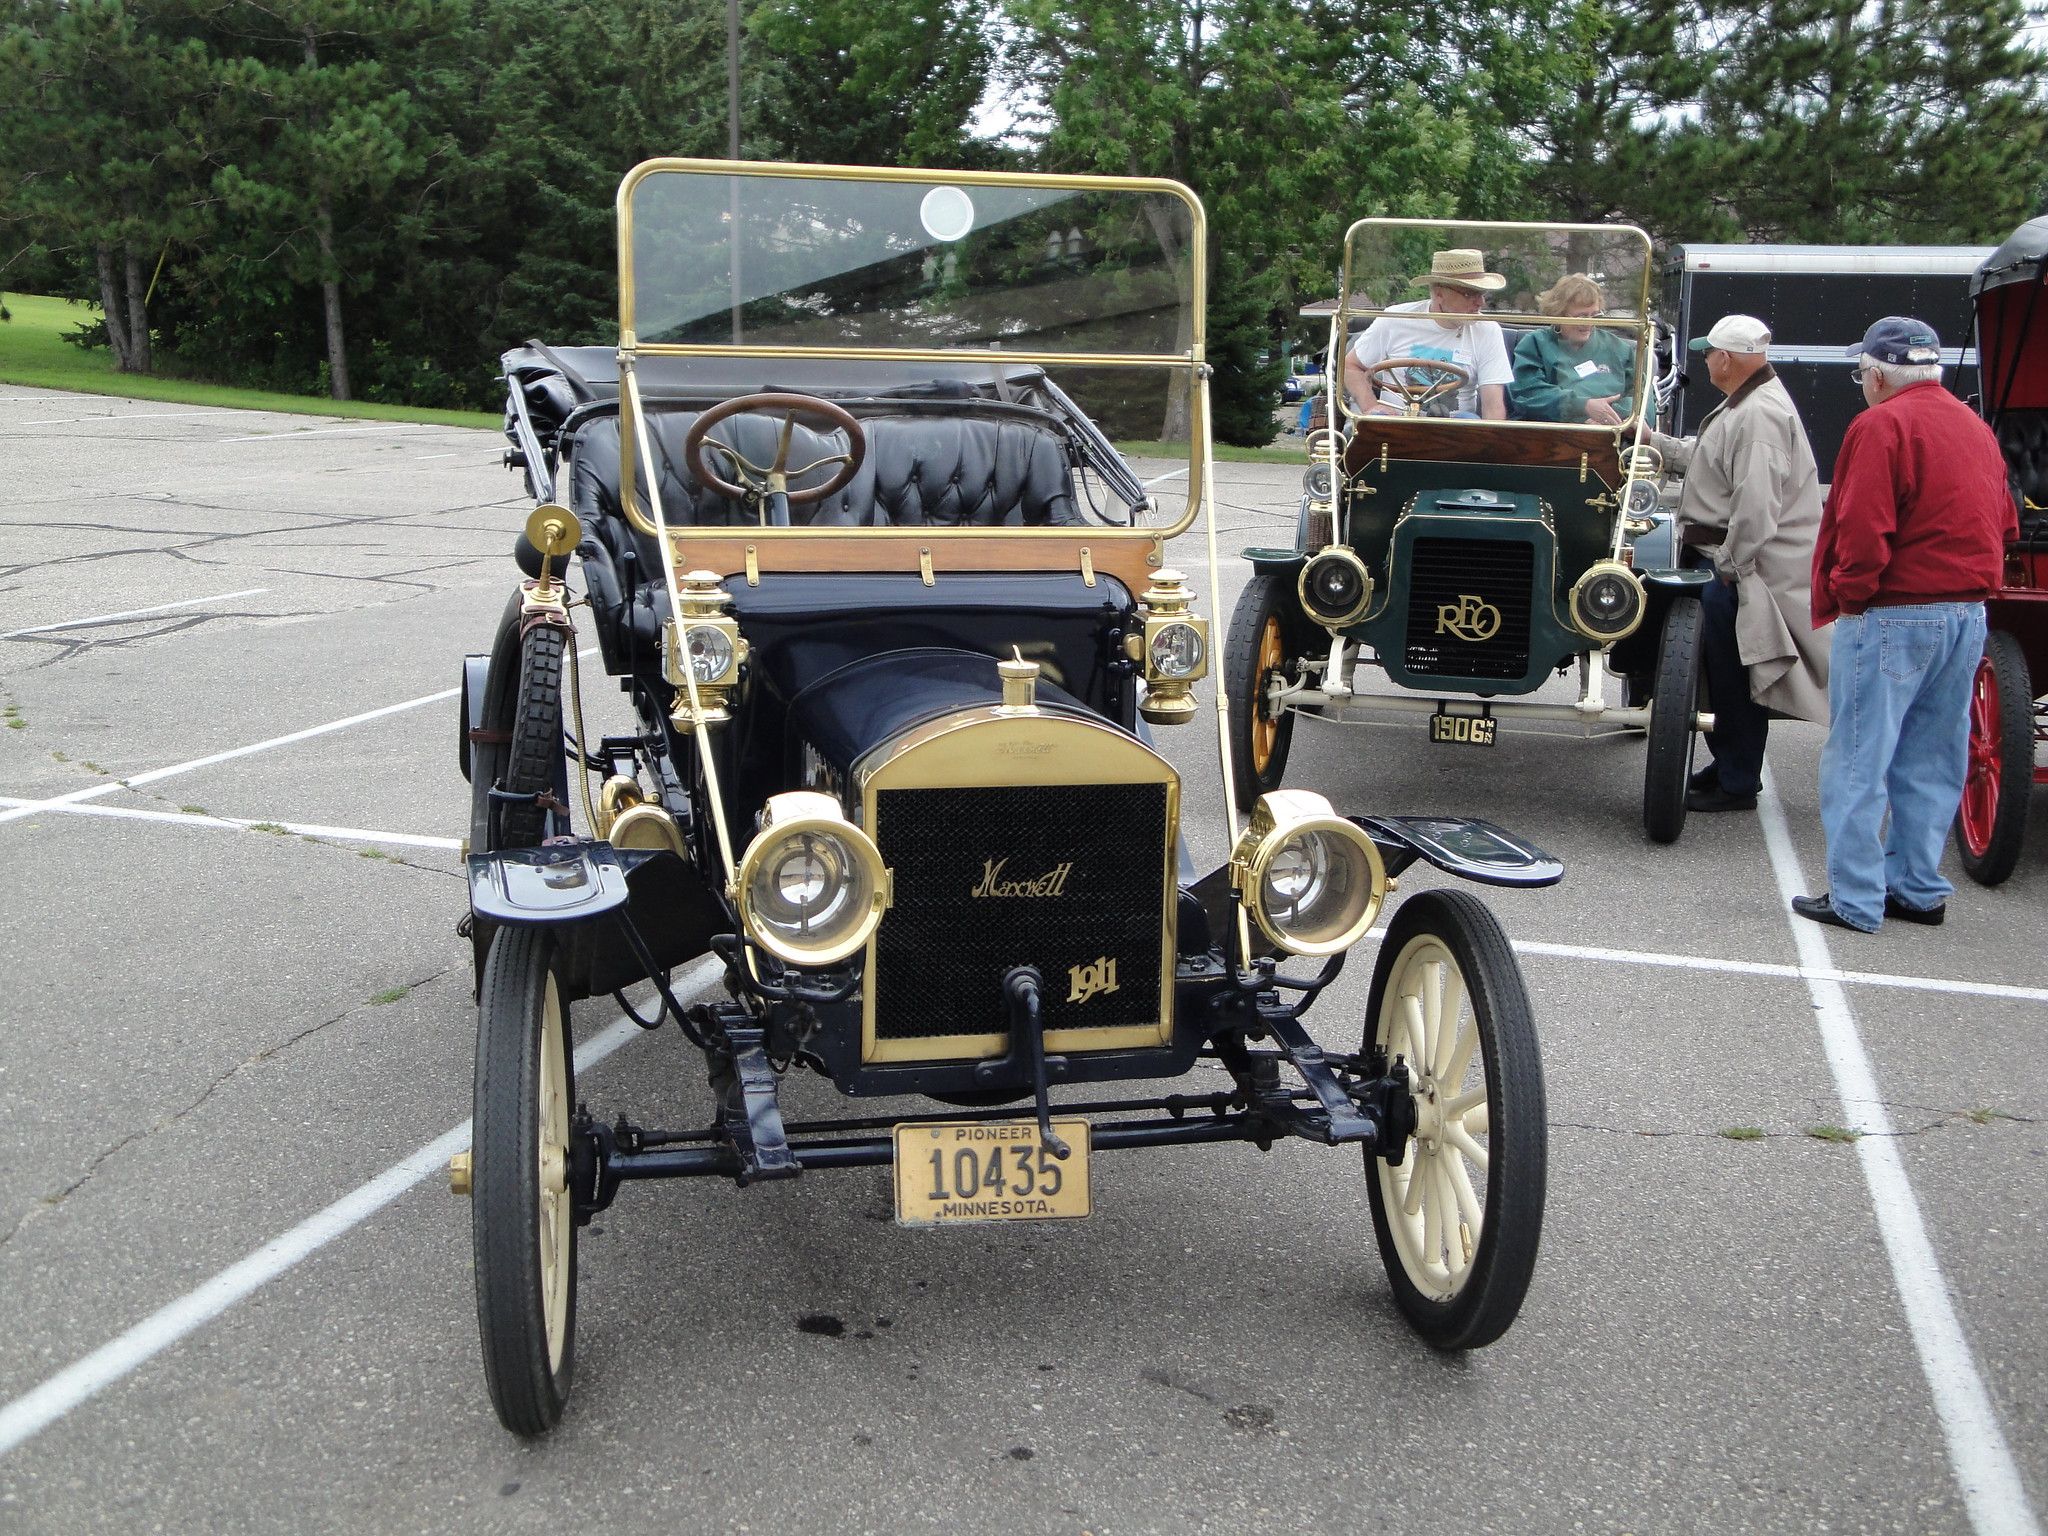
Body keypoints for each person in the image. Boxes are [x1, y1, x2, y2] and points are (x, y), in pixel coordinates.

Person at [1793, 317, 2019, 932]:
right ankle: (1918, 889)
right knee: (1933, 757)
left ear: (1875, 373)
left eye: (1861, 372)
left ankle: (1856, 900)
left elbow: (1864, 529)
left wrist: (1850, 595)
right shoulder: (1973, 426)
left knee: (1859, 762)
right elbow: (2003, 519)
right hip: (1965, 612)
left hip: (1895, 611)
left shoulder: (1881, 425)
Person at [1647, 314, 1829, 812]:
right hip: (1734, 563)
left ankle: (1738, 780)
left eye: (1708, 353)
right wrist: (1655, 443)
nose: (1705, 360)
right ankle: (1729, 765)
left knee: (1739, 676)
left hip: (1745, 570)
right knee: (1725, 674)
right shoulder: (1749, 405)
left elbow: (1756, 507)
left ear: (1725, 358)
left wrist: (1730, 566)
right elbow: (1712, 461)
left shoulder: (1758, 416)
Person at [1342, 249, 1512, 420]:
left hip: (1458, 431)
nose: (1480, 302)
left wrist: (1490, 444)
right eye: (1469, 294)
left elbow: (1493, 407)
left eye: (1482, 293)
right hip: (1396, 424)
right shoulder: (1395, 319)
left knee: (1469, 420)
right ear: (1439, 294)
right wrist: (1371, 406)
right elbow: (1351, 366)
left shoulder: (1488, 330)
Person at [1509, 273, 1635, 426]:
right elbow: (1527, 394)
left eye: (1594, 315)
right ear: (1559, 313)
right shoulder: (1536, 344)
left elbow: (1642, 394)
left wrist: (1619, 418)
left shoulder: (1618, 348)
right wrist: (1583, 406)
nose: (1588, 324)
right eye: (1581, 317)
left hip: (1617, 431)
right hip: (1555, 435)